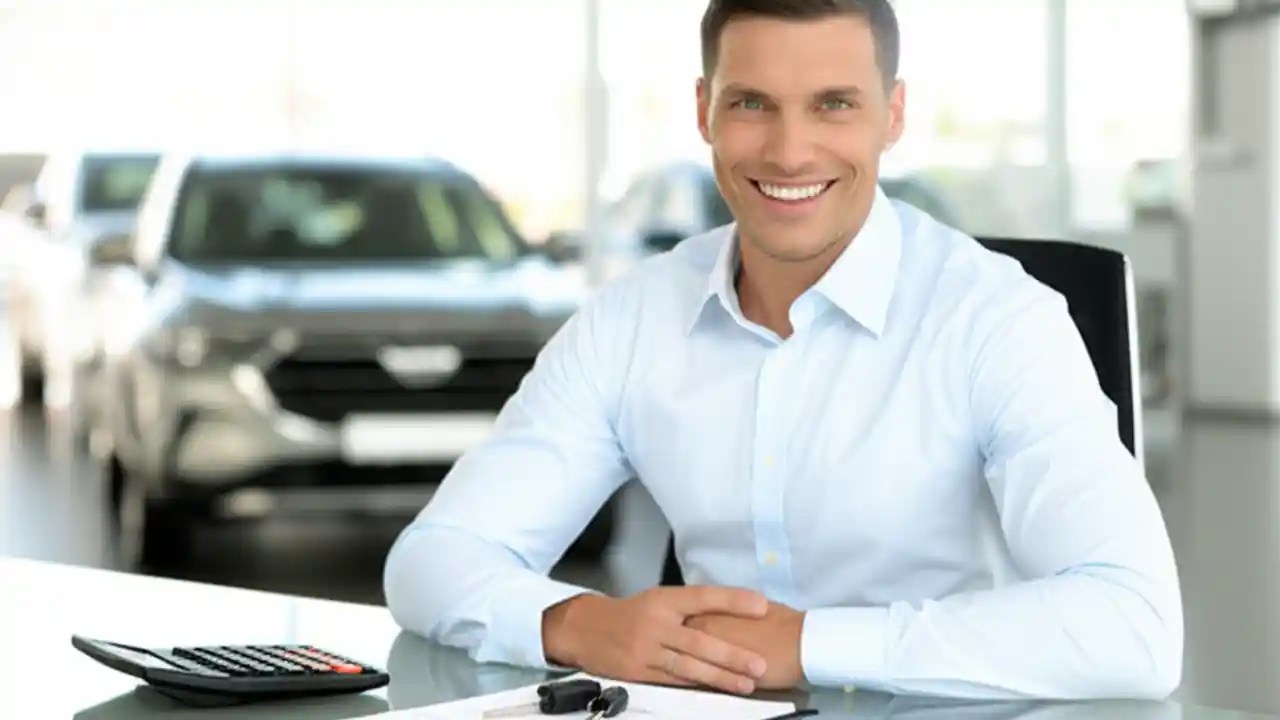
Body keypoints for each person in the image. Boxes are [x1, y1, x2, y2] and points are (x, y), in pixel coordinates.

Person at [384, 0, 1183, 700]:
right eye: (752, 104)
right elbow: (431, 560)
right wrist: (575, 623)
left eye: (834, 104)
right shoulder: (632, 318)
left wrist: (807, 645)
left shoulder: (999, 320)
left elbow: (1134, 623)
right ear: (704, 111)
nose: (790, 151)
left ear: (892, 115)